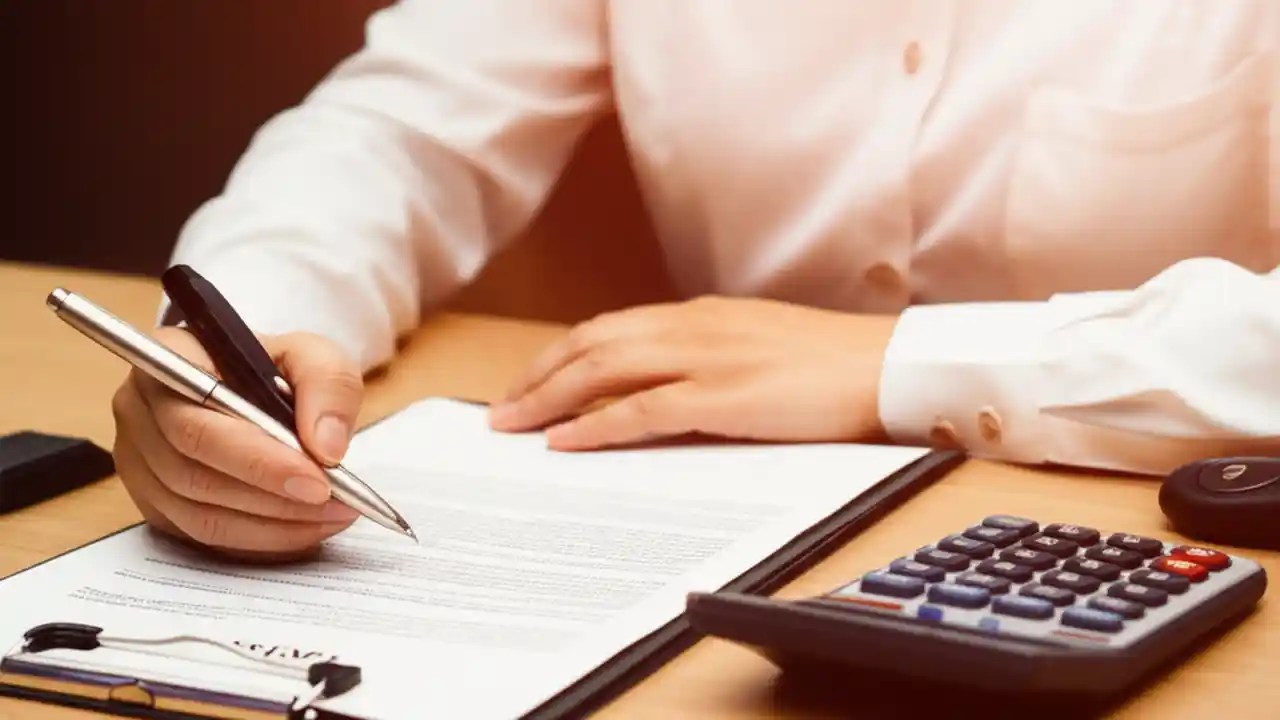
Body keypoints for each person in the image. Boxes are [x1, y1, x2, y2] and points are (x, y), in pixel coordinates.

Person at [110, 1, 1280, 556]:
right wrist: (249, 331)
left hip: (1137, 540)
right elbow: (404, 128)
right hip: (710, 552)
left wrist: (893, 361)